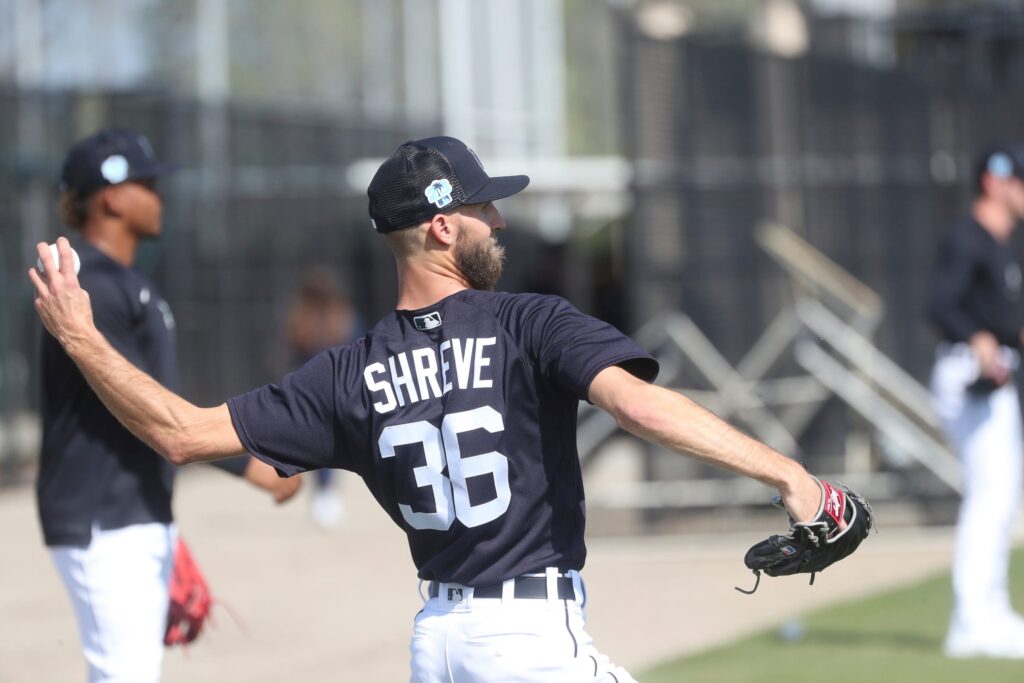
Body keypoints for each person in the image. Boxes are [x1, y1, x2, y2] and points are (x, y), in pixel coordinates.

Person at [31, 135, 830, 682]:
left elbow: (179, 432)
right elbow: (641, 408)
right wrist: (788, 472)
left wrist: (79, 335)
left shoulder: (347, 370)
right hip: (527, 638)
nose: (501, 221)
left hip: (438, 643)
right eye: (486, 210)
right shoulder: (528, 322)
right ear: (443, 226)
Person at [36, 128, 301, 683]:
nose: (161, 196)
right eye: (149, 185)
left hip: (126, 513)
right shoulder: (94, 287)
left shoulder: (122, 282)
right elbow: (147, 409)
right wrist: (255, 464)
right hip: (102, 519)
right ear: (111, 196)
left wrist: (160, 526)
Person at [928, 144, 1024, 659]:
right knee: (990, 493)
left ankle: (993, 610)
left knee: (1004, 493)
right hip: (968, 374)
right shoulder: (968, 238)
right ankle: (970, 621)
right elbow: (940, 304)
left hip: (999, 378)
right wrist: (978, 336)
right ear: (996, 182)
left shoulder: (1003, 245)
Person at [284, 267, 359, 527]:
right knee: (331, 446)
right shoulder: (337, 318)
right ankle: (326, 496)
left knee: (323, 447)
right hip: (336, 392)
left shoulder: (305, 319)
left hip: (314, 392)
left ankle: (324, 495)